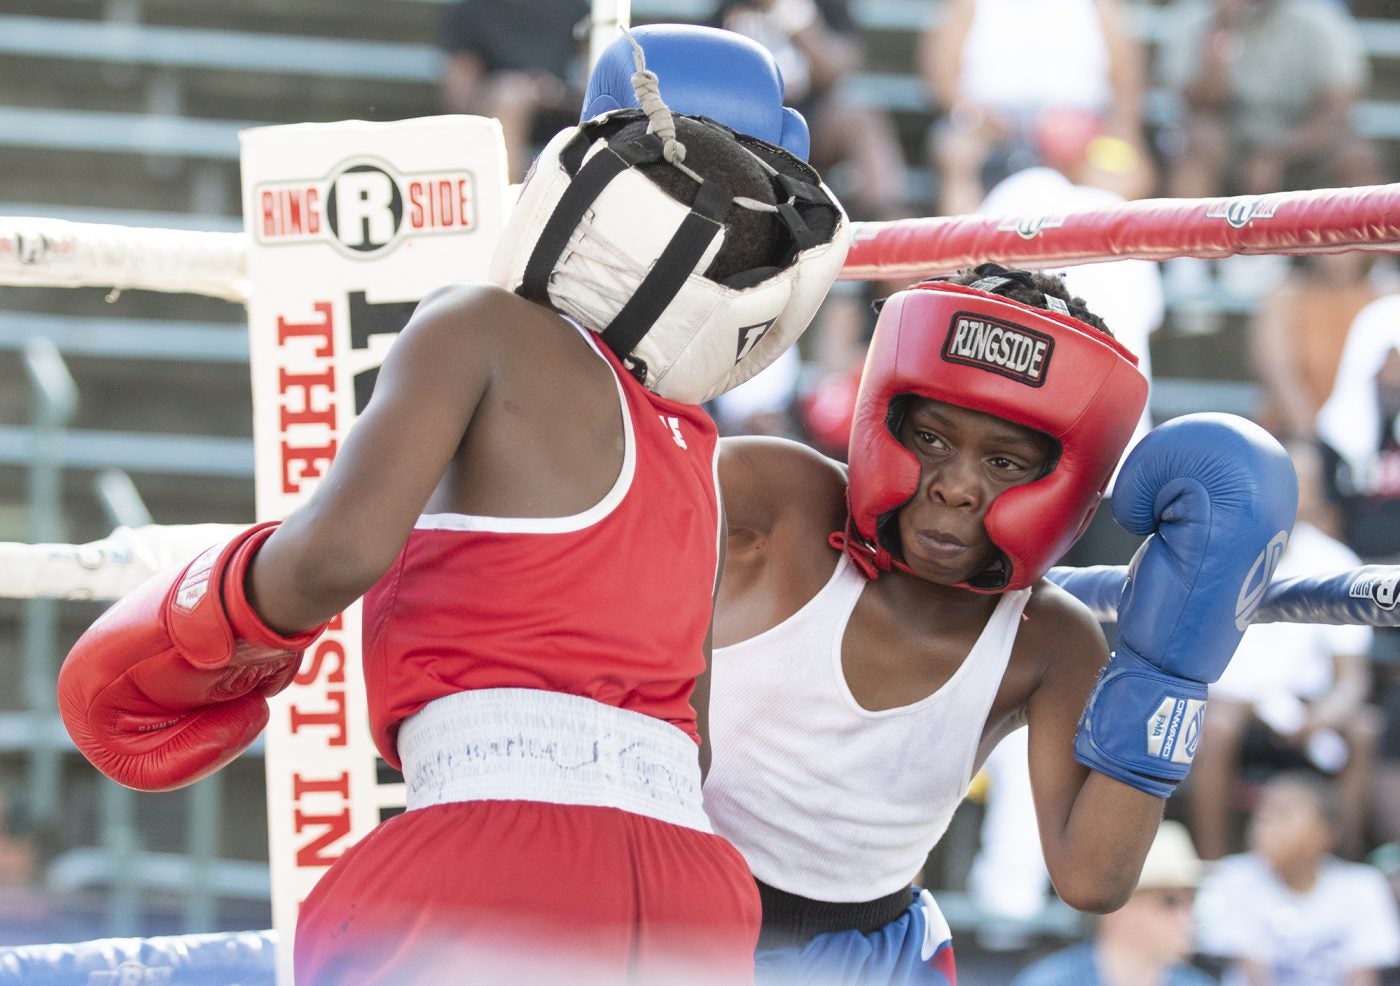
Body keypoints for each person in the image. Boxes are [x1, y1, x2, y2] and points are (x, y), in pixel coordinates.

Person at [54, 32, 852, 986]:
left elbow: (336, 557)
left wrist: (203, 612)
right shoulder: (697, 455)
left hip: (491, 855)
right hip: (691, 883)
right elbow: (696, 736)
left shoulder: (480, 327)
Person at [705, 264, 1298, 983]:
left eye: (1005, 461)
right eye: (931, 439)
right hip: (677, 901)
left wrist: (1169, 674)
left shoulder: (1046, 638)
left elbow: (1094, 878)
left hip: (872, 955)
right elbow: (615, 499)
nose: (956, 486)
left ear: (1067, 484)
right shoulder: (780, 501)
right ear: (883, 418)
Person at [1186, 440, 1381, 862]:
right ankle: (1211, 867)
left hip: (1306, 708)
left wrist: (1324, 716)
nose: (1292, 490)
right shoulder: (1218, 553)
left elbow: (1352, 678)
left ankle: (1342, 864)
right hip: (1230, 705)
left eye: (1304, 482)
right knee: (1216, 728)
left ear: (1319, 494)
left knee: (1363, 730)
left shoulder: (1336, 561)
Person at [920, 0, 1153, 217]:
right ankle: (965, 244)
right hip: (987, 129)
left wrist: (1121, 131)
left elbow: (1127, 77)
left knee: (1127, 172)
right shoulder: (968, 4)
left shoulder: (1100, 5)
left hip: (1087, 133)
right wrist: (977, 116)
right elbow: (942, 76)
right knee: (957, 152)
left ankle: (1100, 244)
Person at [1157, 0, 1382, 202]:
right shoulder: (1196, 17)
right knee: (1198, 142)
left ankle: (1358, 235)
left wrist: (1279, 156)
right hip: (1231, 148)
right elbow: (1199, 105)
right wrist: (1222, 30)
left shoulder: (1318, 18)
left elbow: (1339, 107)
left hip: (1302, 147)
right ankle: (1187, 235)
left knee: (1356, 159)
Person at [712, 0, 911, 222]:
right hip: (749, 124)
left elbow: (836, 71)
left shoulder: (826, 5)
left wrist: (797, 22)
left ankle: (889, 220)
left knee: (863, 118)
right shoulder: (730, 7)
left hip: (813, 120)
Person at [1194, 771, 1400, 985]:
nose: (1265, 826)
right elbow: (1252, 975)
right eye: (1262, 815)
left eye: (1282, 814)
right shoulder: (1232, 877)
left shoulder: (1362, 885)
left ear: (1324, 833)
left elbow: (1362, 977)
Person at [1009, 820, 1218, 986]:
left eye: (1191, 900)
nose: (1187, 915)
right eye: (1169, 901)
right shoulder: (1049, 981)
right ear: (1116, 904)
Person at [437, 0, 591, 182]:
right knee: (509, 98)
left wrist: (551, 90)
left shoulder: (572, 7)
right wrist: (516, 88)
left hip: (561, 103)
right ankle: (507, 194)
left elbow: (593, 65)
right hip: (500, 110)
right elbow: (460, 95)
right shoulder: (471, 10)